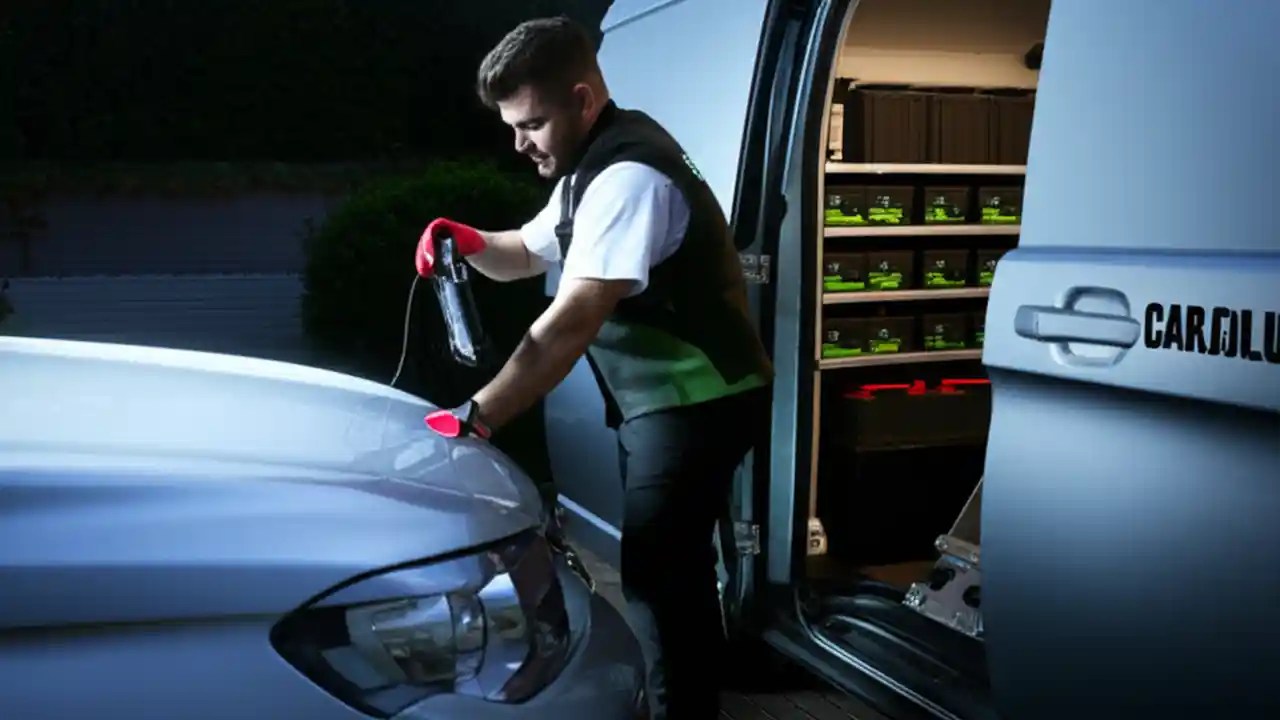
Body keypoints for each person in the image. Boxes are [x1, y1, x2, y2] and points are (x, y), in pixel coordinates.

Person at [412, 16, 774, 719]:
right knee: (678, 567)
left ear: (582, 100)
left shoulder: (629, 179)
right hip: (664, 400)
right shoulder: (590, 165)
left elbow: (569, 322)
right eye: (512, 126)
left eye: (532, 124)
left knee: (657, 574)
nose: (519, 143)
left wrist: (479, 416)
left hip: (700, 400)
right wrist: (467, 240)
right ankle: (700, 689)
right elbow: (527, 250)